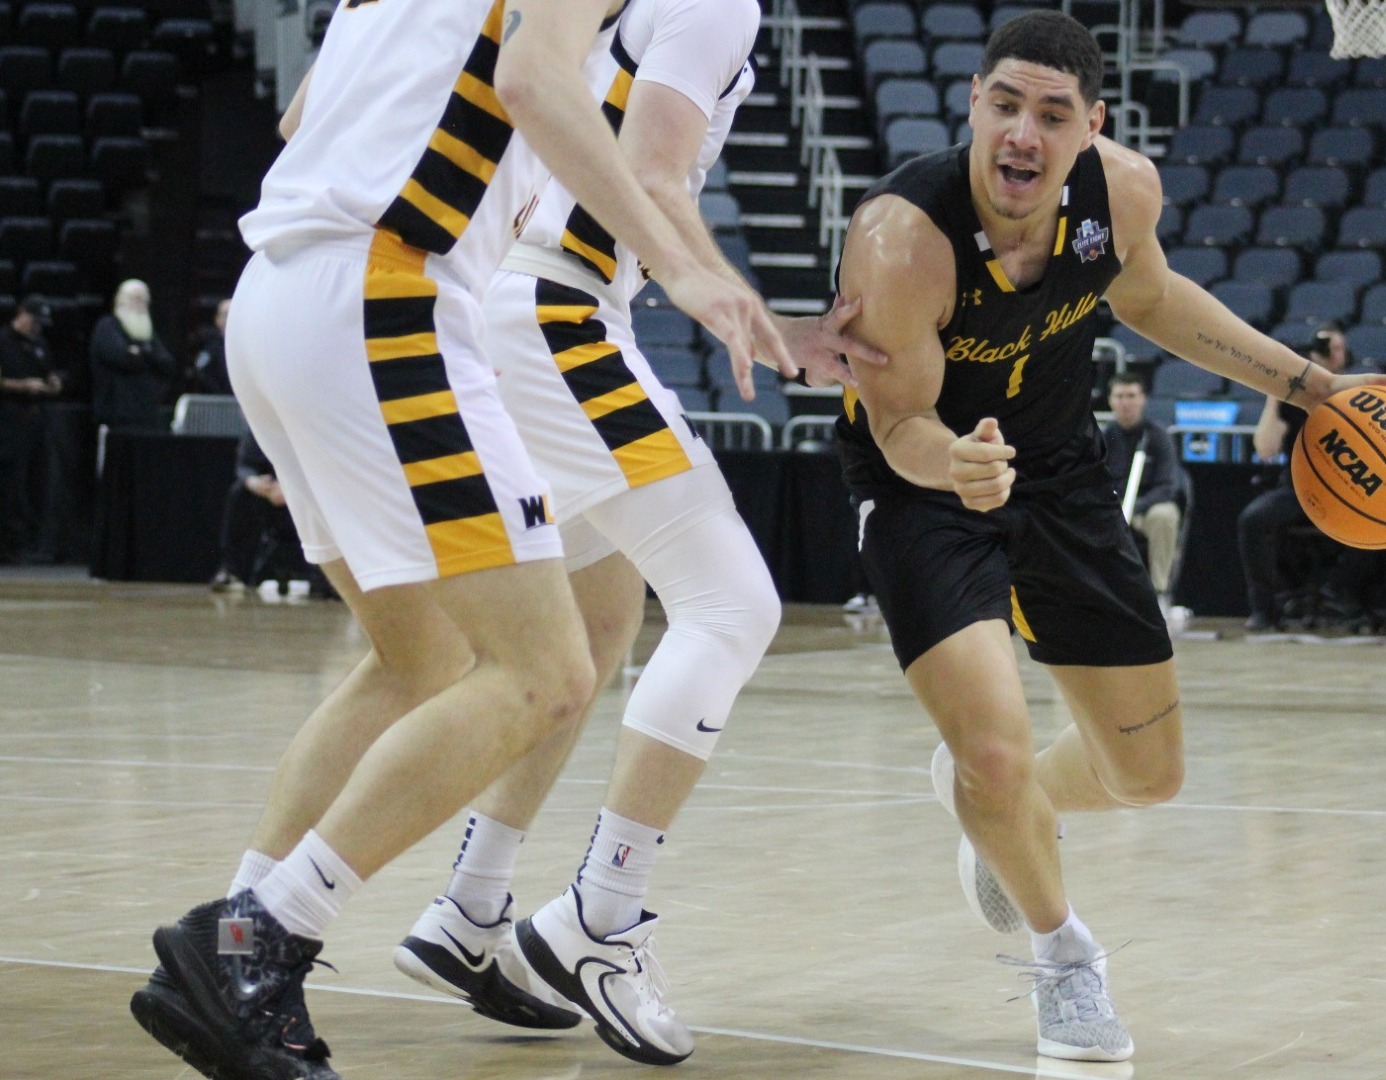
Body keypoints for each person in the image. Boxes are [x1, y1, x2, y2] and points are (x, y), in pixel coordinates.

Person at [127, 2, 790, 1078]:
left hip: (277, 297)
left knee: (420, 660)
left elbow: (301, 115)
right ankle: (257, 940)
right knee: (544, 672)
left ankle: (244, 956)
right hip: (388, 293)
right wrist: (681, 263)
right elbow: (533, 79)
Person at [832, 12, 1386, 1061]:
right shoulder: (900, 240)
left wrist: (1317, 391)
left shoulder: (1120, 195)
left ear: (1089, 129)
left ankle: (997, 809)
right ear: (973, 103)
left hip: (1059, 472)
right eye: (1005, 104)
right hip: (924, 484)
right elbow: (897, 423)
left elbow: (1154, 298)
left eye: (1053, 115)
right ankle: (1065, 963)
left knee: (1148, 777)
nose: (1023, 134)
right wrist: (946, 461)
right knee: (993, 745)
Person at [387, 0, 877, 1064]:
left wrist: (773, 325)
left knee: (595, 632)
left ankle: (472, 906)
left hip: (518, 312)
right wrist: (730, 300)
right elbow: (654, 175)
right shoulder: (721, 2)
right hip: (560, 320)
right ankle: (600, 919)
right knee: (733, 604)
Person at [1237, 325, 1349, 631]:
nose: (1333, 354)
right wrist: (1277, 391)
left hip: (1347, 489)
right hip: (1300, 488)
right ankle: (1265, 609)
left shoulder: (1350, 392)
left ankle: (1347, 597)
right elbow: (1265, 448)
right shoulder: (1294, 393)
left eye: (1337, 348)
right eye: (1327, 348)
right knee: (1253, 519)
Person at [1100, 369, 1185, 622]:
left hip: (1146, 508)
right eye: (1119, 396)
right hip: (1111, 508)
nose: (1125, 402)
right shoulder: (1103, 437)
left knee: (1165, 516)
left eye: (1131, 395)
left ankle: (1160, 591)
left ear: (1143, 399)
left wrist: (1135, 507)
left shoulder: (1158, 437)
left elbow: (1168, 486)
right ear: (1110, 400)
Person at [0, 295, 63, 561]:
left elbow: (49, 371)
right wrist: (23, 385)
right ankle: (8, 544)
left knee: (34, 480)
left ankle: (31, 542)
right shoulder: (3, 341)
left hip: (36, 417)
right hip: (9, 416)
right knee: (10, 479)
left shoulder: (39, 343)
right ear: (21, 313)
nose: (37, 326)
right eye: (34, 320)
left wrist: (53, 382)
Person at [211, 429, 296, 591]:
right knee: (238, 494)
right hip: (268, 492)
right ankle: (231, 571)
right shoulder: (257, 426)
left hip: (305, 492)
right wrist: (254, 482)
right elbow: (243, 466)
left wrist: (291, 487)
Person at [90, 279, 177, 430]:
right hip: (116, 415)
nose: (141, 304)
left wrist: (141, 353)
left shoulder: (149, 335)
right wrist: (147, 356)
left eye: (145, 300)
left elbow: (167, 363)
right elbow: (123, 357)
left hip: (146, 413)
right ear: (120, 300)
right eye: (136, 299)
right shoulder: (107, 326)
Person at [186, 298, 232, 396]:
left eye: (233, 314)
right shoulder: (210, 349)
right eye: (225, 314)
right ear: (217, 319)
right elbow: (201, 375)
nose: (229, 318)